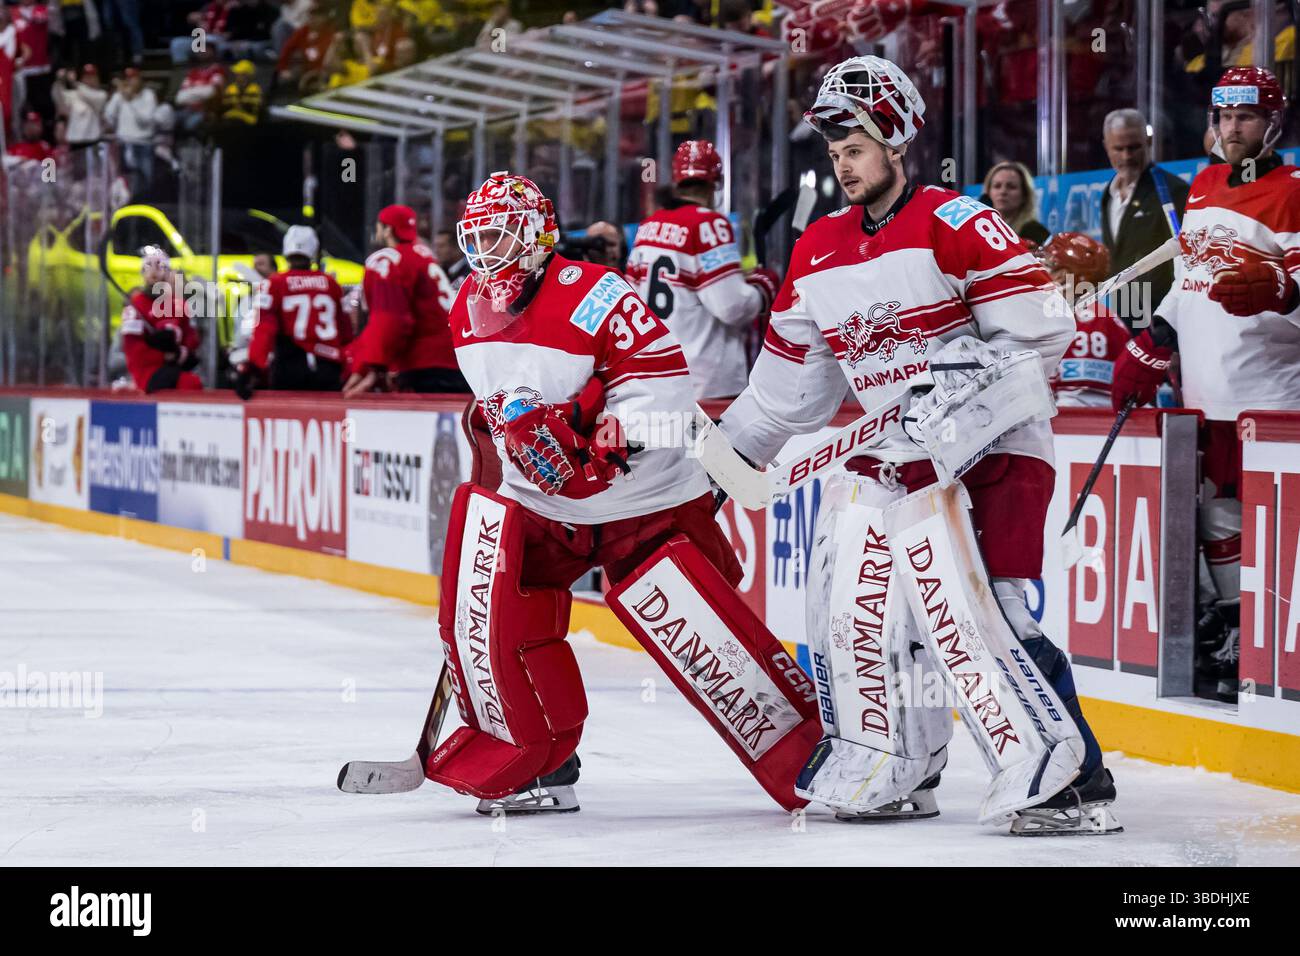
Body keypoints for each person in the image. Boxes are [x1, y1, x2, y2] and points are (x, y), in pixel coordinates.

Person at [719, 55, 1119, 834]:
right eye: (834, 153)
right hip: (899, 462)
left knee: (987, 614)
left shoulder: (957, 220)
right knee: (864, 615)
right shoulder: (817, 251)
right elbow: (787, 391)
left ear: (897, 140)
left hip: (998, 453)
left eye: (856, 148)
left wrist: (969, 380)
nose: (843, 165)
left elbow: (1039, 334)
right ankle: (899, 765)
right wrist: (724, 460)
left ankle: (1075, 779)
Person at [414, 171, 822, 815]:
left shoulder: (597, 292)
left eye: (501, 235)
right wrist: (515, 438)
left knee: (701, 635)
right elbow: (498, 406)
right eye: (478, 237)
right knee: (489, 611)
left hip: (644, 500)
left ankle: (807, 754)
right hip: (546, 503)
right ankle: (539, 757)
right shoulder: (465, 305)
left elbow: (667, 393)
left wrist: (600, 442)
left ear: (540, 235)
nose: (488, 253)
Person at [1110, 66, 1300, 703]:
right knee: (1215, 513)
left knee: (1272, 526)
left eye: (1246, 116)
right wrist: (1153, 341)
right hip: (1206, 398)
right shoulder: (1204, 185)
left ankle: (1276, 645)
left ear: (1273, 121)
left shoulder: (1294, 191)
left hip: (1274, 403)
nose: (1233, 127)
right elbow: (1191, 283)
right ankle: (1239, 635)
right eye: (1224, 115)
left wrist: (1286, 290)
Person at [624, 140, 779, 400]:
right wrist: (764, 286)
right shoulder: (708, 223)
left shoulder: (648, 226)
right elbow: (732, 307)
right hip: (707, 381)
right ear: (714, 184)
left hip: (656, 377)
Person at [343, 204, 467, 395]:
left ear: (387, 230)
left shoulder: (390, 259)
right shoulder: (425, 256)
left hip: (426, 365)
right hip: (458, 359)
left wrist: (373, 366)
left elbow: (390, 319)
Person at [235, 225, 352, 398]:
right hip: (327, 368)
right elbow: (346, 332)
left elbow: (265, 329)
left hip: (289, 366)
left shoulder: (274, 284)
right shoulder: (331, 285)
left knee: (285, 420)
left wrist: (253, 367)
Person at [1099, 108, 1189, 330]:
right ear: (1105, 146)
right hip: (1124, 319)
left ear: (1148, 141)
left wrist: (1171, 331)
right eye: (1118, 149)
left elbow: (1186, 263)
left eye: (1134, 147)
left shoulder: (1171, 191)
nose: (1127, 156)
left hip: (1161, 324)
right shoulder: (1107, 194)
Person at [1040, 232, 1130, 408]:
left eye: (1048, 266)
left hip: (1082, 429)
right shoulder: (1099, 316)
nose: (1040, 274)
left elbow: (1080, 404)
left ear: (1062, 275)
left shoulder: (1090, 323)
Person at [120, 246, 203, 393]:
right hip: (148, 372)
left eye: (160, 266)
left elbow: (190, 337)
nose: (154, 271)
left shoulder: (177, 303)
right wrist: (163, 356)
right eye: (148, 266)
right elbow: (133, 351)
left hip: (174, 368)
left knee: (193, 383)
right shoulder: (135, 307)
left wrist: (183, 352)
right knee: (189, 384)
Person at [104, 67, 158, 196]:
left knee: (145, 182)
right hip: (124, 144)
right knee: (125, 181)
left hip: (143, 144)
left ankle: (144, 209)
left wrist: (131, 100)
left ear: (139, 79)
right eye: (127, 79)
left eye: (133, 78)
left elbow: (146, 120)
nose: (130, 82)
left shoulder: (148, 95)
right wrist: (117, 98)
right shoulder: (120, 95)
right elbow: (108, 116)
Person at [222, 58, 262, 124]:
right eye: (237, 73)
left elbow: (252, 108)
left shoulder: (255, 89)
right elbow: (226, 106)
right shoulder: (230, 88)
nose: (237, 75)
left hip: (249, 120)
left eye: (241, 73)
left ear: (248, 75)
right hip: (230, 118)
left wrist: (237, 107)